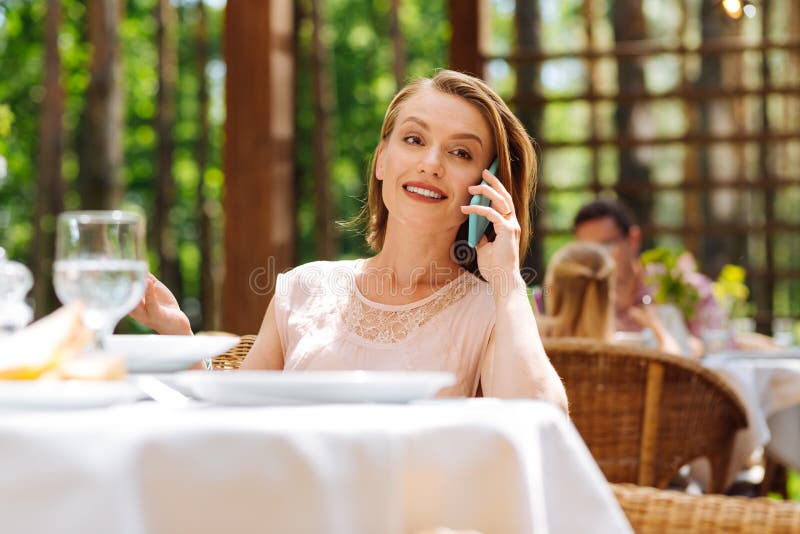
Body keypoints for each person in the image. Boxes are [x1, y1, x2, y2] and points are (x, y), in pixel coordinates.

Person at [130, 70, 568, 409]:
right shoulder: (301, 289)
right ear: (382, 161)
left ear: (487, 185)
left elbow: (539, 424)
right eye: (414, 139)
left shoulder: (490, 312)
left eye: (460, 153)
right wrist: (179, 337)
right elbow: (230, 422)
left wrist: (507, 282)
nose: (431, 163)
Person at [572, 198, 709, 358]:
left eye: (606, 246)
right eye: (587, 250)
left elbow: (716, 345)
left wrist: (694, 345)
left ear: (633, 240)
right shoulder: (578, 301)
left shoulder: (678, 287)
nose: (597, 259)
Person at [537, 241, 683, 355]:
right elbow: (678, 365)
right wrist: (657, 327)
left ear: (552, 290)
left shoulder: (533, 343)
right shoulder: (626, 354)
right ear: (609, 294)